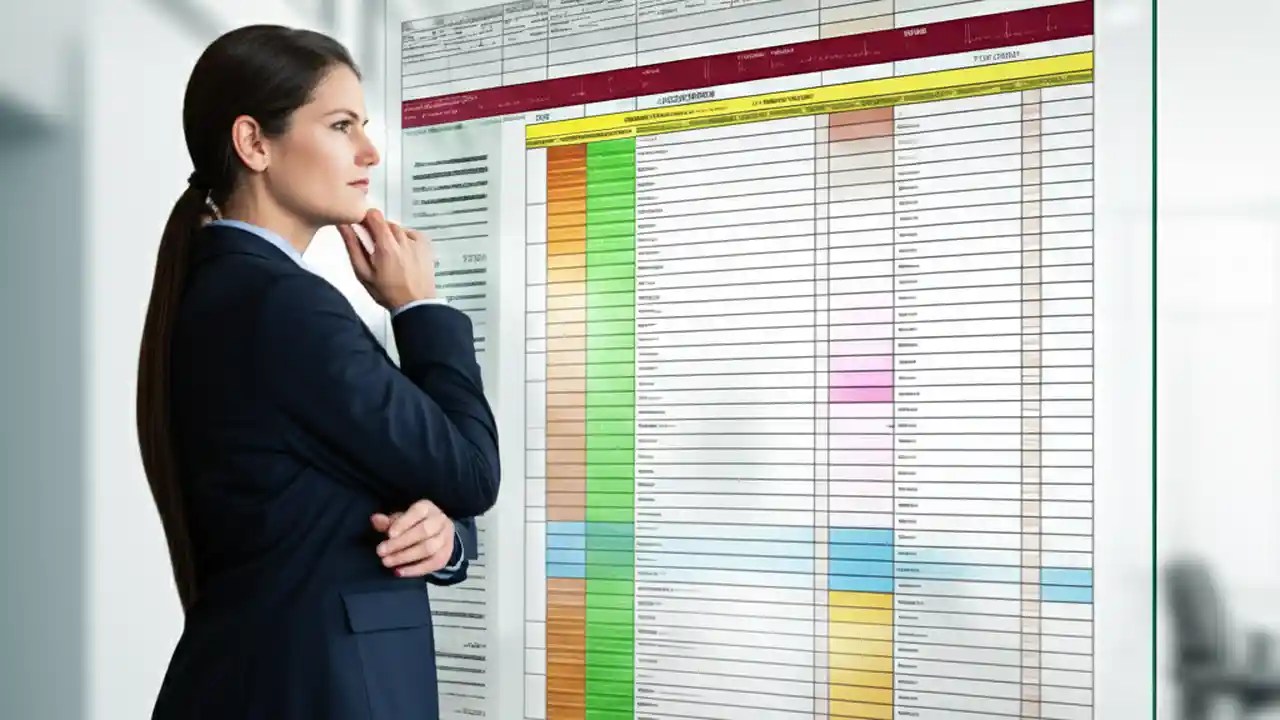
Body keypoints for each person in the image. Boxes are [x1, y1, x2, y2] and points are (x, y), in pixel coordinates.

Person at [135, 24, 500, 719]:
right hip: (315, 691)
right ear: (254, 144)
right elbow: (471, 471)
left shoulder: (232, 290)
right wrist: (418, 307)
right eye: (341, 125)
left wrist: (446, 537)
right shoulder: (281, 305)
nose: (369, 150)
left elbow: (394, 479)